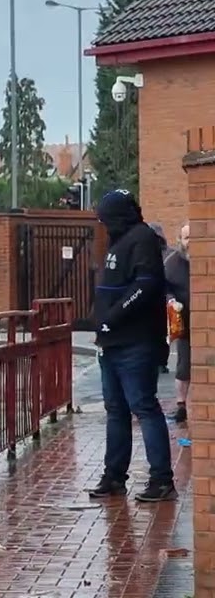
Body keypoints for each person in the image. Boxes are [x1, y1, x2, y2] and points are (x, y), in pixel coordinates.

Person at [88, 190, 175, 502]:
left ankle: (162, 480)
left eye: (106, 219)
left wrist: (113, 317)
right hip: (111, 342)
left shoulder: (142, 239)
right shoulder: (119, 238)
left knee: (144, 406)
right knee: (116, 410)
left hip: (135, 342)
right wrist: (99, 321)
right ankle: (114, 476)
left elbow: (145, 285)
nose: (104, 226)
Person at [166, 222, 191, 423]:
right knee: (183, 366)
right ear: (180, 241)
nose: (190, 242)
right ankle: (181, 405)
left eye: (193, 237)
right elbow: (164, 288)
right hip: (185, 322)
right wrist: (171, 300)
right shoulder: (172, 263)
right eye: (186, 238)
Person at [150, 222, 174, 373]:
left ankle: (160, 362)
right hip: (149, 298)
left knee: (162, 334)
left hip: (164, 297)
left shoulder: (170, 254)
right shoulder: (143, 254)